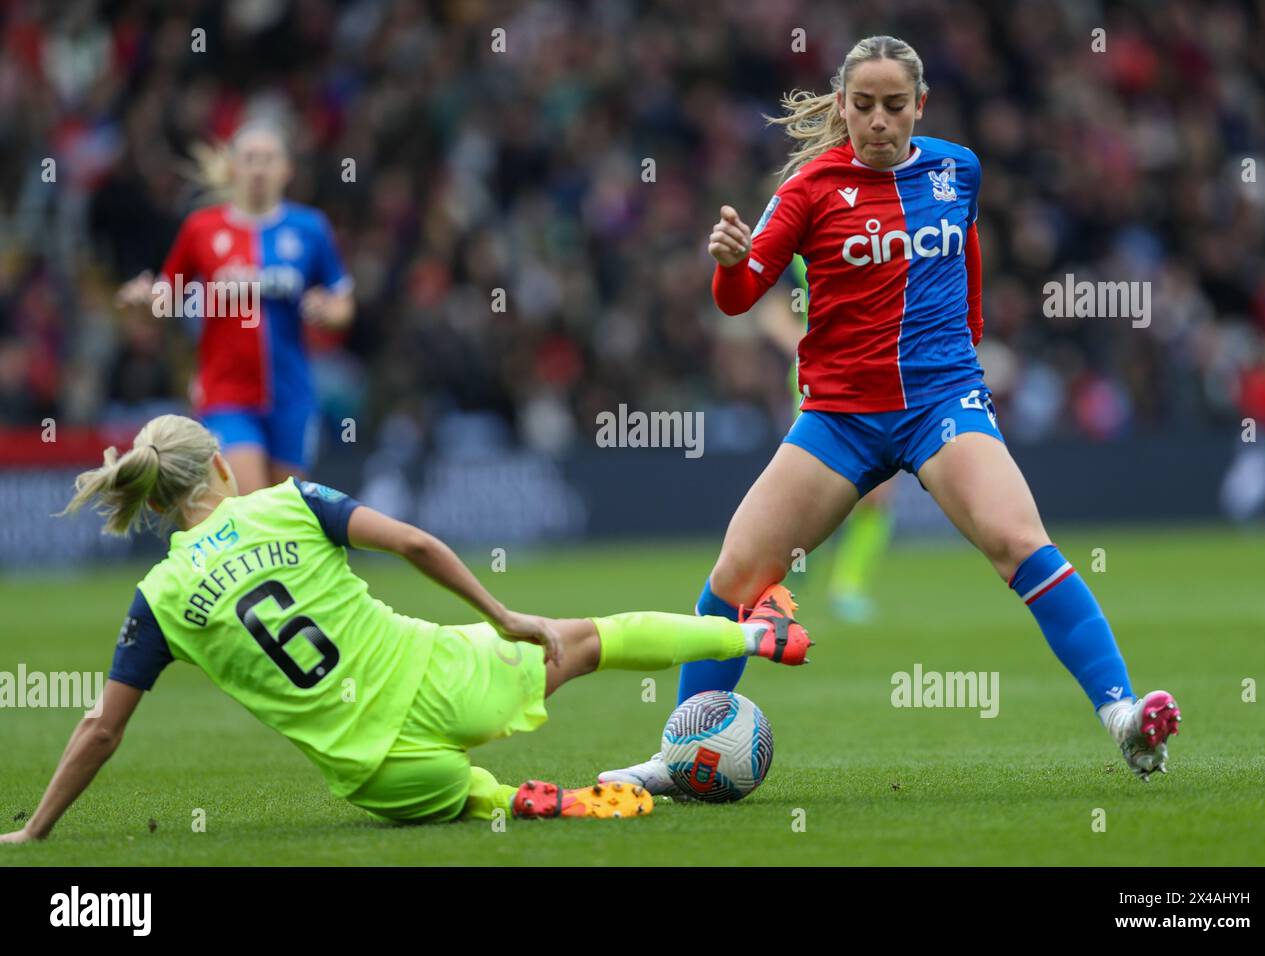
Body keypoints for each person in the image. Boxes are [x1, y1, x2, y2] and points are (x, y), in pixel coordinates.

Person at [600, 35, 1180, 794]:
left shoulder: (957, 169)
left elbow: (967, 259)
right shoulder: (810, 189)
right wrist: (730, 261)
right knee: (738, 574)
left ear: (920, 106)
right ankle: (680, 755)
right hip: (841, 414)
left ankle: (1124, 718)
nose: (879, 121)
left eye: (894, 106)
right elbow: (739, 298)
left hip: (941, 401)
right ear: (842, 106)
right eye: (864, 105)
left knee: (1018, 540)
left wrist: (965, 351)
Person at [0, 414, 812, 843]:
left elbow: (102, 729)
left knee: (456, 797)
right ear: (220, 466)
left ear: (150, 500)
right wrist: (504, 617)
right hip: (444, 679)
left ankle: (516, 800)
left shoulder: (160, 597)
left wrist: (38, 829)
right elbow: (418, 543)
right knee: (590, 638)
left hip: (381, 776)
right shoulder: (293, 501)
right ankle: (750, 637)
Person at [115, 120, 354, 493]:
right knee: (253, 499)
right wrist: (141, 299)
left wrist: (328, 311)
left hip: (292, 394)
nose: (259, 168)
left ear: (286, 168)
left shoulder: (310, 228)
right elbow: (163, 302)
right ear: (232, 168)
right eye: (249, 158)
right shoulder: (201, 229)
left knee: (287, 509)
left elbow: (343, 304)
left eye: (268, 158)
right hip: (225, 393)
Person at [756, 253, 896, 624]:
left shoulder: (876, 231)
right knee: (810, 491)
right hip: (819, 379)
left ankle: (848, 588)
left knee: (877, 493)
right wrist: (808, 343)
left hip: (873, 371)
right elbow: (771, 312)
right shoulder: (799, 246)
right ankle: (791, 578)